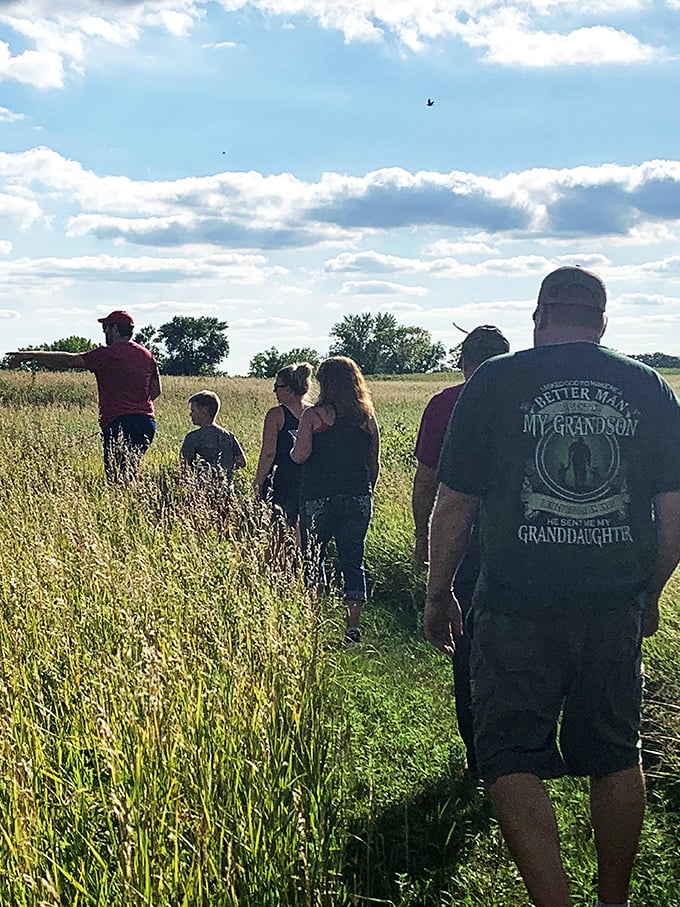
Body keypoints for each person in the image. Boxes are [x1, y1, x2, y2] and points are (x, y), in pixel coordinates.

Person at [424, 266, 680, 907]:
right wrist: (649, 591)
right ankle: (613, 901)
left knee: (509, 754)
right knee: (617, 752)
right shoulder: (645, 385)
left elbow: (455, 504)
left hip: (514, 600)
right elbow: (674, 510)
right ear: (601, 320)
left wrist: (437, 592)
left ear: (538, 316)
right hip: (612, 598)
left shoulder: (496, 380)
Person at [412, 324, 509, 773]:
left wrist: (423, 540)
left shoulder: (445, 403)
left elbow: (429, 481)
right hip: (523, 544)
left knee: (466, 644)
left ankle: (479, 757)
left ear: (462, 360)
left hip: (467, 545)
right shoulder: (526, 396)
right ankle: (525, 752)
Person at [10, 310, 161, 481]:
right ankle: (135, 500)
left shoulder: (108, 354)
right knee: (130, 471)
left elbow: (70, 361)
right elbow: (156, 390)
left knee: (116, 477)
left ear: (115, 329)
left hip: (119, 422)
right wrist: (136, 403)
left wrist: (31, 355)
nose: (104, 331)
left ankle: (124, 503)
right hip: (146, 423)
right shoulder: (147, 355)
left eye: (106, 327)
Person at [291, 356, 380, 643]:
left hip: (318, 495)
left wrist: (293, 452)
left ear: (324, 383)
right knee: (353, 560)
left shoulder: (314, 416)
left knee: (314, 558)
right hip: (357, 495)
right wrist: (367, 491)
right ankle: (352, 626)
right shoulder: (367, 417)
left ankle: (314, 619)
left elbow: (301, 454)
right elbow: (374, 463)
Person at [254, 362, 313, 526]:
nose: (274, 391)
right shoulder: (315, 413)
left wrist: (258, 482)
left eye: (277, 387)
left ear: (288, 389)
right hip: (309, 479)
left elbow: (268, 453)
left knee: (276, 530)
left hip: (281, 480)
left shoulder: (276, 415)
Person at [180, 389, 246, 488]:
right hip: (226, 489)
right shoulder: (228, 436)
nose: (190, 414)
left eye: (193, 410)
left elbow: (184, 466)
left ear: (204, 412)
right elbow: (241, 462)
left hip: (201, 489)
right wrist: (226, 468)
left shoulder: (192, 438)